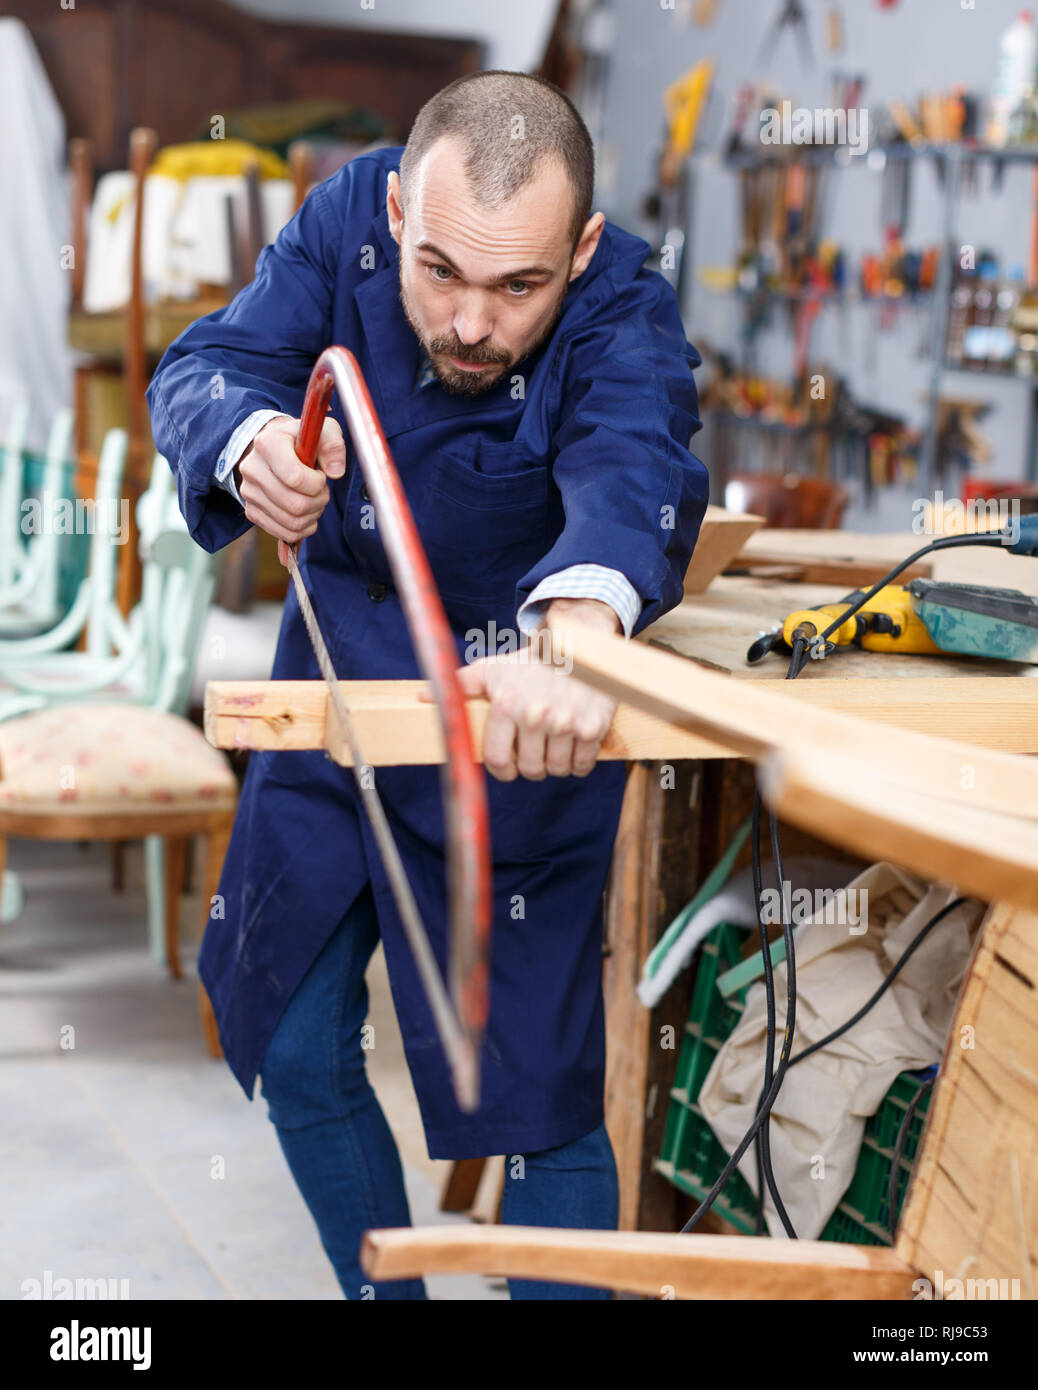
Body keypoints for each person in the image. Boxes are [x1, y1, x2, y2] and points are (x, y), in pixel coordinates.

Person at [148, 69, 707, 1300]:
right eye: (441, 271)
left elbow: (639, 455)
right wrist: (247, 449)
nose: (469, 325)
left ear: (584, 248)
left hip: (518, 724)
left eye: (521, 289)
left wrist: (573, 632)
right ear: (398, 211)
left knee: (537, 1101)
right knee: (294, 1044)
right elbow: (203, 367)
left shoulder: (623, 300)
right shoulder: (341, 218)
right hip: (341, 692)